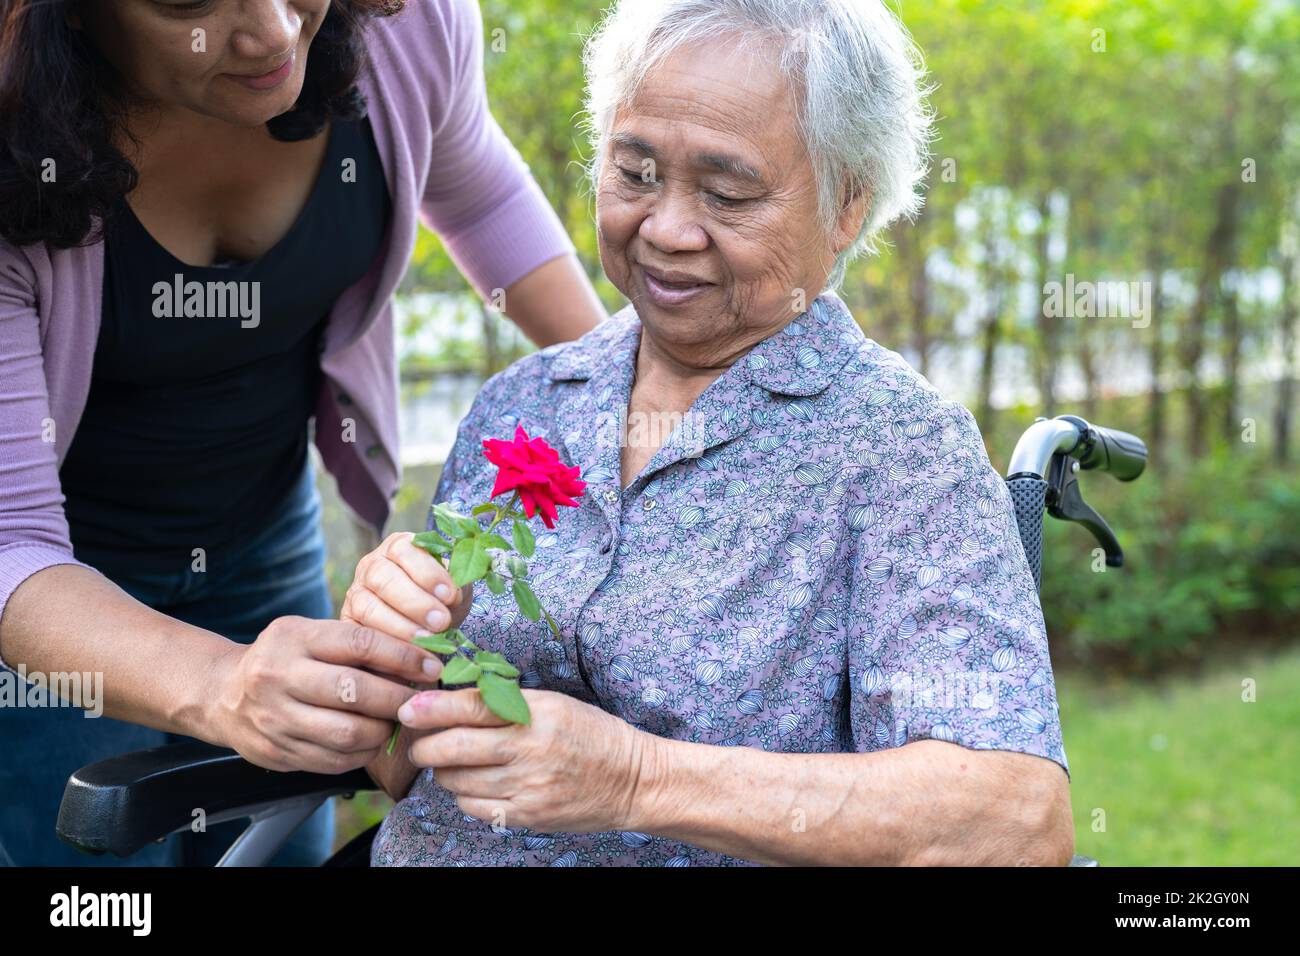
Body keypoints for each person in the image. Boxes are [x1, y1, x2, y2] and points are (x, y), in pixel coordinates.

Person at [349, 0, 1076, 866]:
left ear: (847, 206)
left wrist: (637, 780)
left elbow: (1013, 821)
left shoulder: (900, 452)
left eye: (727, 193)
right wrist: (386, 659)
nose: (665, 229)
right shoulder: (528, 401)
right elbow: (397, 768)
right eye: (636, 172)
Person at [0, 0, 605, 867]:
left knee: (278, 834)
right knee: (93, 875)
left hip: (260, 531)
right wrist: (219, 683)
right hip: (51, 608)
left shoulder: (405, 27)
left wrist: (632, 407)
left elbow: (478, 193)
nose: (277, 34)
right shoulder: (16, 130)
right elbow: (10, 538)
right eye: (189, 6)